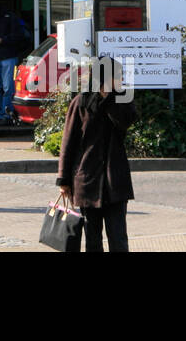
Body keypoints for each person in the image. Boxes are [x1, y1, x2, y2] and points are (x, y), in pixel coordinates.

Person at [56, 56, 136, 252]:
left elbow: (125, 122)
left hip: (114, 180)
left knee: (118, 239)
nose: (121, 79)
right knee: (92, 240)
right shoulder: (80, 102)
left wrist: (108, 99)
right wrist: (63, 179)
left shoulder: (122, 99)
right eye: (118, 75)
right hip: (87, 181)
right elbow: (68, 143)